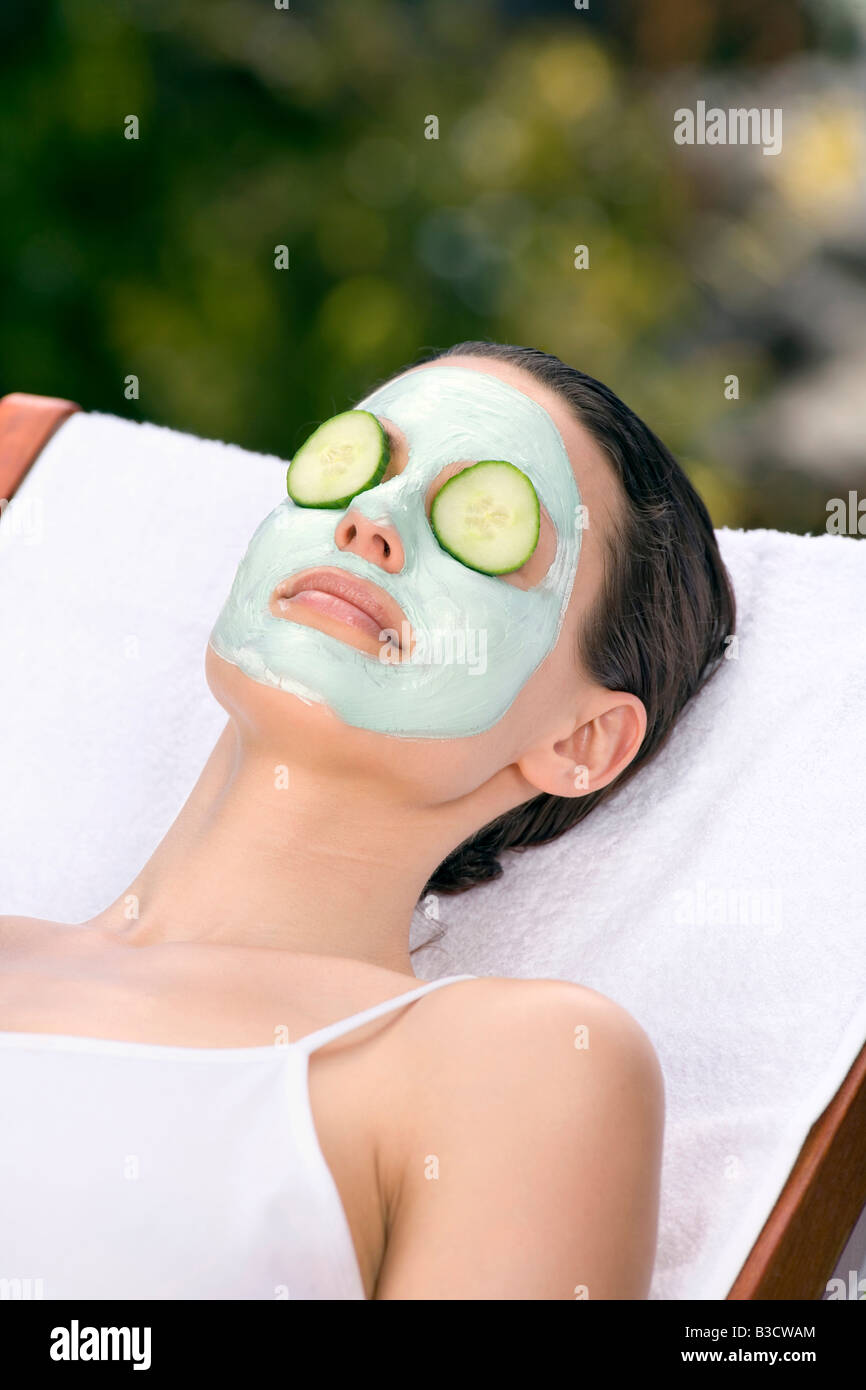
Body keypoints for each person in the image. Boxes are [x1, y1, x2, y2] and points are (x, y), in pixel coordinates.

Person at [0, 341, 735, 1300]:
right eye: (357, 464)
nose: (369, 519)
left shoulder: (512, 1064)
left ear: (583, 740)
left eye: (483, 522)